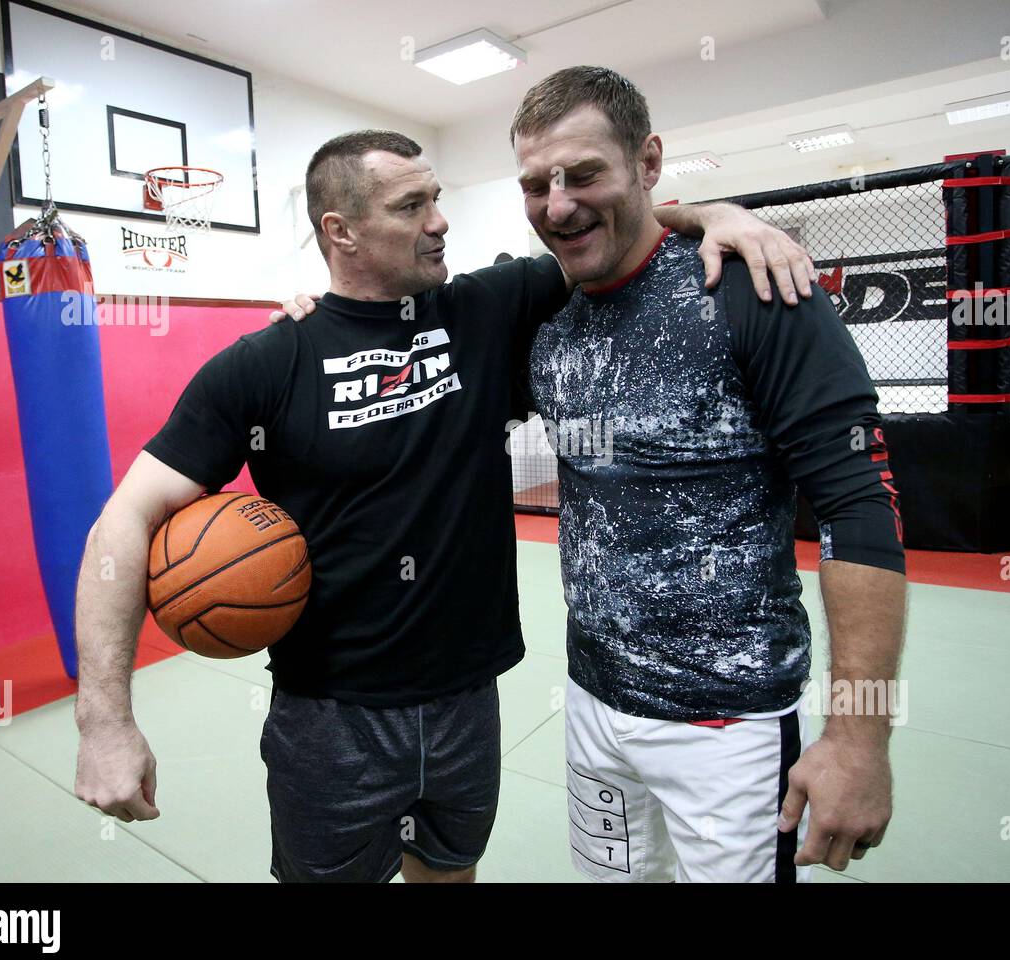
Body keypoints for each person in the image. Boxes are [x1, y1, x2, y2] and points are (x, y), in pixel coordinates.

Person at [72, 128, 813, 884]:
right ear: (341, 230)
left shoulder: (486, 308)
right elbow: (122, 520)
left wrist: (719, 215)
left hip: (467, 704)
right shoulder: (264, 364)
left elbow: (616, 234)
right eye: (413, 204)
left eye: (438, 198)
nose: (440, 220)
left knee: (452, 876)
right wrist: (104, 720)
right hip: (333, 721)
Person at [511, 66, 908, 883]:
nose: (557, 204)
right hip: (592, 705)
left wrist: (860, 737)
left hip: (731, 726)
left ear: (648, 162)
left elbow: (858, 508)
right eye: (536, 184)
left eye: (585, 174)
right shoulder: (543, 314)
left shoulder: (759, 289)